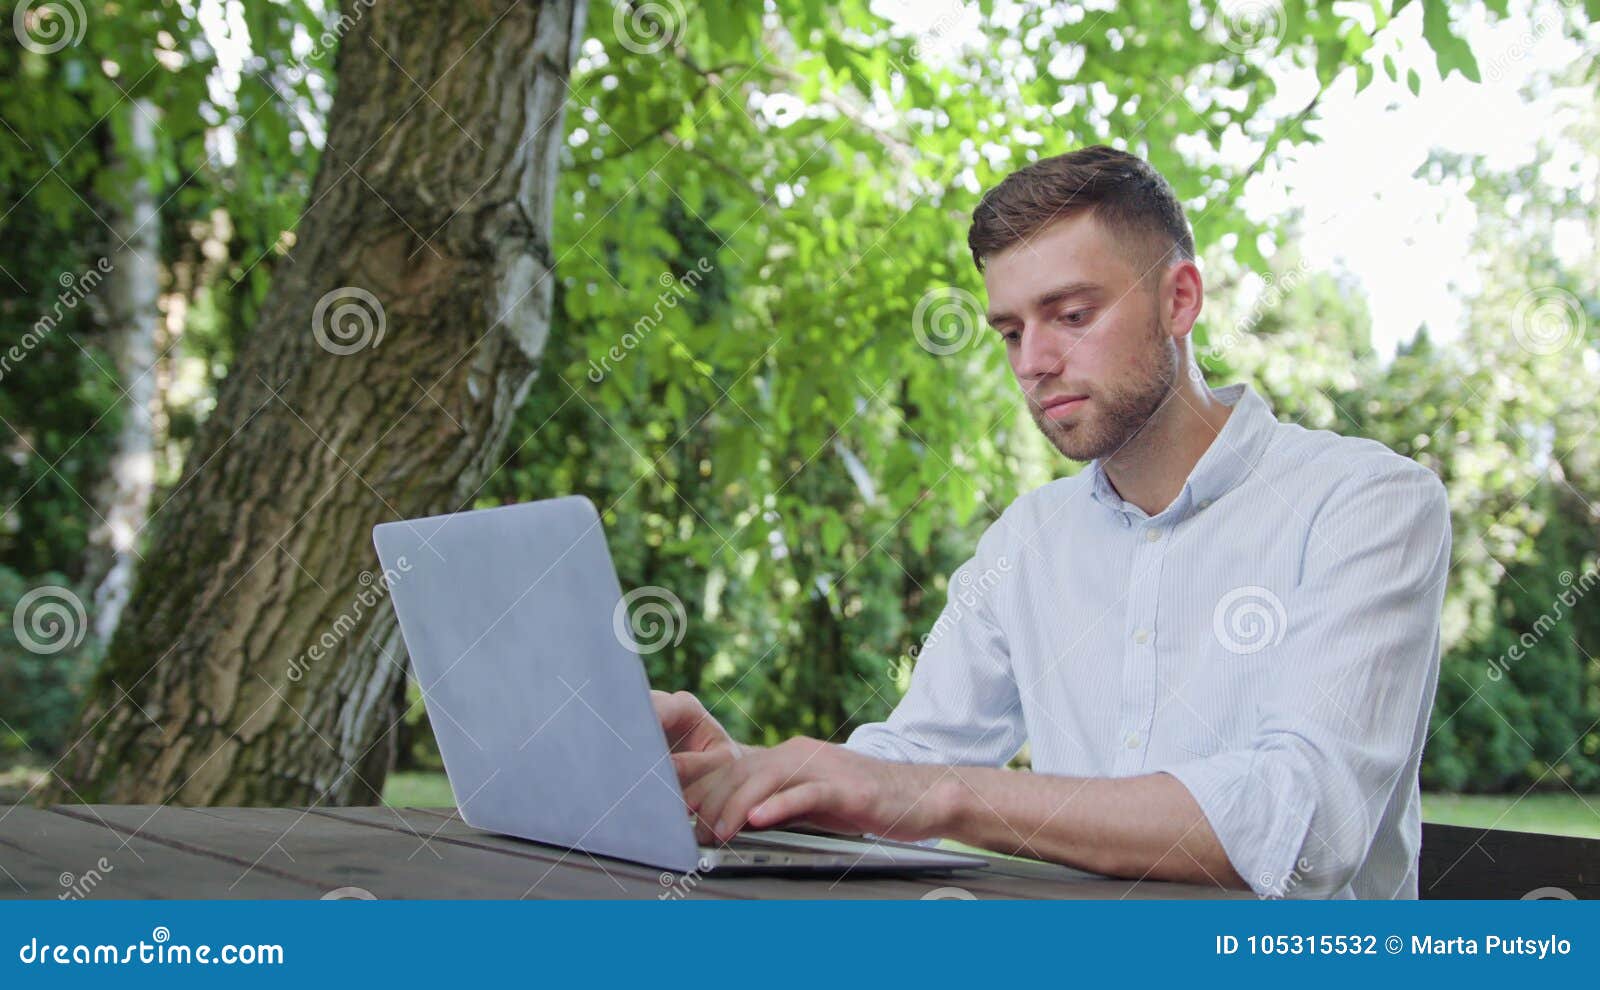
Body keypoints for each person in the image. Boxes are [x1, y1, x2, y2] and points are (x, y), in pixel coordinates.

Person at [653, 145, 1451, 899]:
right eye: (1010, 332)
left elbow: (1304, 826)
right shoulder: (1028, 539)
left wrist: (943, 795)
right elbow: (913, 761)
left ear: (1179, 299)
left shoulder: (1366, 502)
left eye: (1070, 315)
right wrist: (748, 779)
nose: (1032, 362)